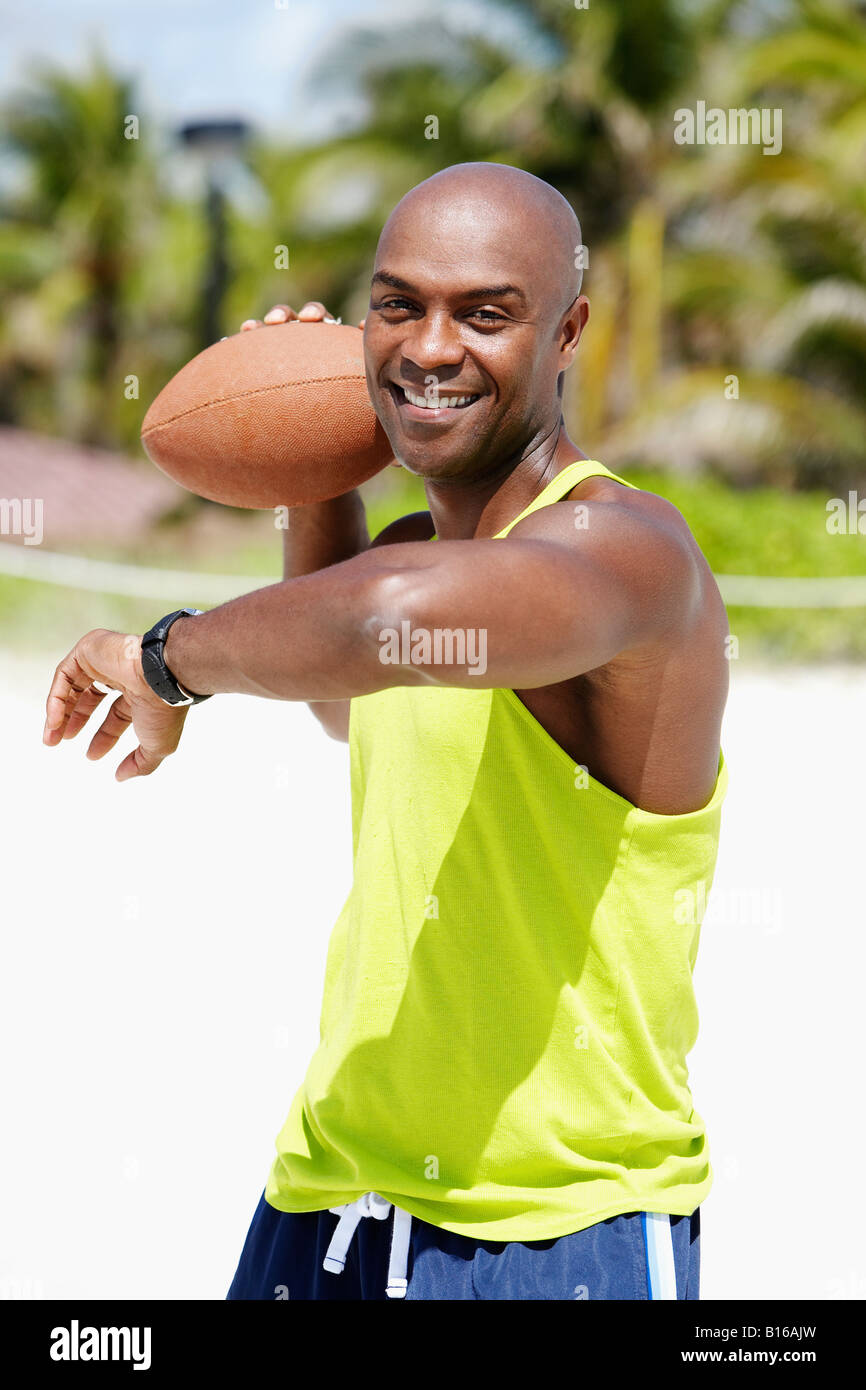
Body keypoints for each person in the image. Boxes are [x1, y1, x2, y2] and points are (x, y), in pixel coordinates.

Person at [42, 162, 729, 1301]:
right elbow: (342, 700)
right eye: (398, 305)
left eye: (485, 313)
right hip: (331, 1199)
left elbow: (395, 621)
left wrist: (164, 660)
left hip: (557, 1226)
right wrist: (319, 471)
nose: (428, 347)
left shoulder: (625, 554)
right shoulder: (415, 541)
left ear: (569, 331)